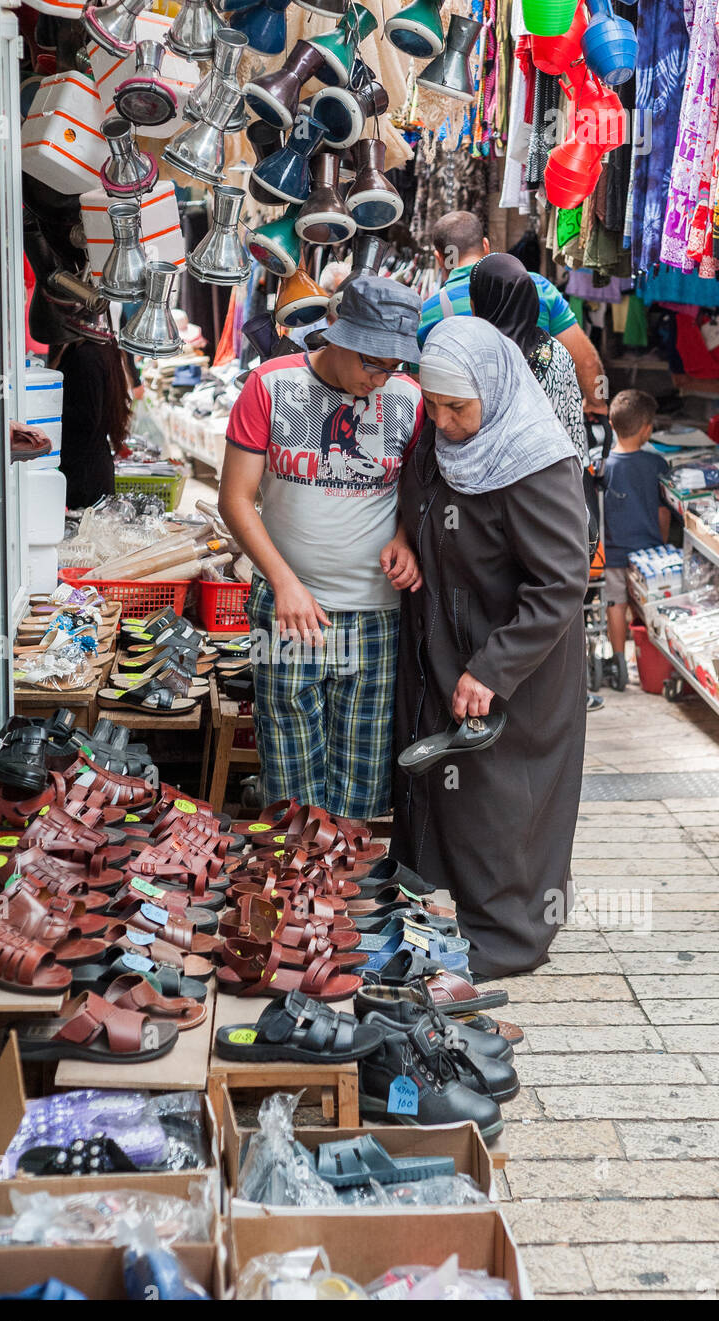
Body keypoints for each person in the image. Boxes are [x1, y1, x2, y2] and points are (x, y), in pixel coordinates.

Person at [391, 317, 590, 980]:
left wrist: (495, 668)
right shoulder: (439, 434)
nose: (443, 422)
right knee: (448, 783)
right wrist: (405, 542)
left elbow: (560, 583)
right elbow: (421, 501)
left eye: (458, 408)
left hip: (520, 661)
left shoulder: (536, 459)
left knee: (503, 797)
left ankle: (509, 939)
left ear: (496, 391)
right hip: (449, 635)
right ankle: (445, 913)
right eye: (435, 405)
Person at [219, 276, 424, 819]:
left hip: (377, 615)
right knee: (289, 775)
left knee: (360, 780)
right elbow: (235, 500)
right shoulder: (269, 386)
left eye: (393, 365)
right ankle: (292, 888)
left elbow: (418, 491)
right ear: (335, 332)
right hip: (287, 614)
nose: (381, 379)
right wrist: (284, 582)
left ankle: (340, 897)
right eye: (371, 363)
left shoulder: (409, 399)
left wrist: (405, 536)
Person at [418, 210, 607, 417]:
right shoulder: (535, 286)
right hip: (538, 421)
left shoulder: (428, 311)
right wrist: (596, 403)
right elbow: (586, 361)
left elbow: (423, 386)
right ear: (486, 245)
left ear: (438, 258)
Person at [470, 251, 588, 466]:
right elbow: (574, 429)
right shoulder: (558, 353)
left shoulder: (471, 358)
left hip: (485, 491)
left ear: (478, 301)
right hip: (551, 483)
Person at [603, 390, 669, 685]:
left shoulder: (604, 467)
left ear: (611, 424)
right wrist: (662, 544)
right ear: (647, 429)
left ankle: (618, 662)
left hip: (614, 552)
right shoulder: (656, 465)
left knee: (615, 604)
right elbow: (663, 512)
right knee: (650, 604)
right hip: (648, 554)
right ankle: (653, 662)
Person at [49, 335, 132, 508]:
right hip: (88, 466)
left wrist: (50, 404)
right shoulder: (94, 348)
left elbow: (87, 417)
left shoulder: (87, 356)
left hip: (84, 473)